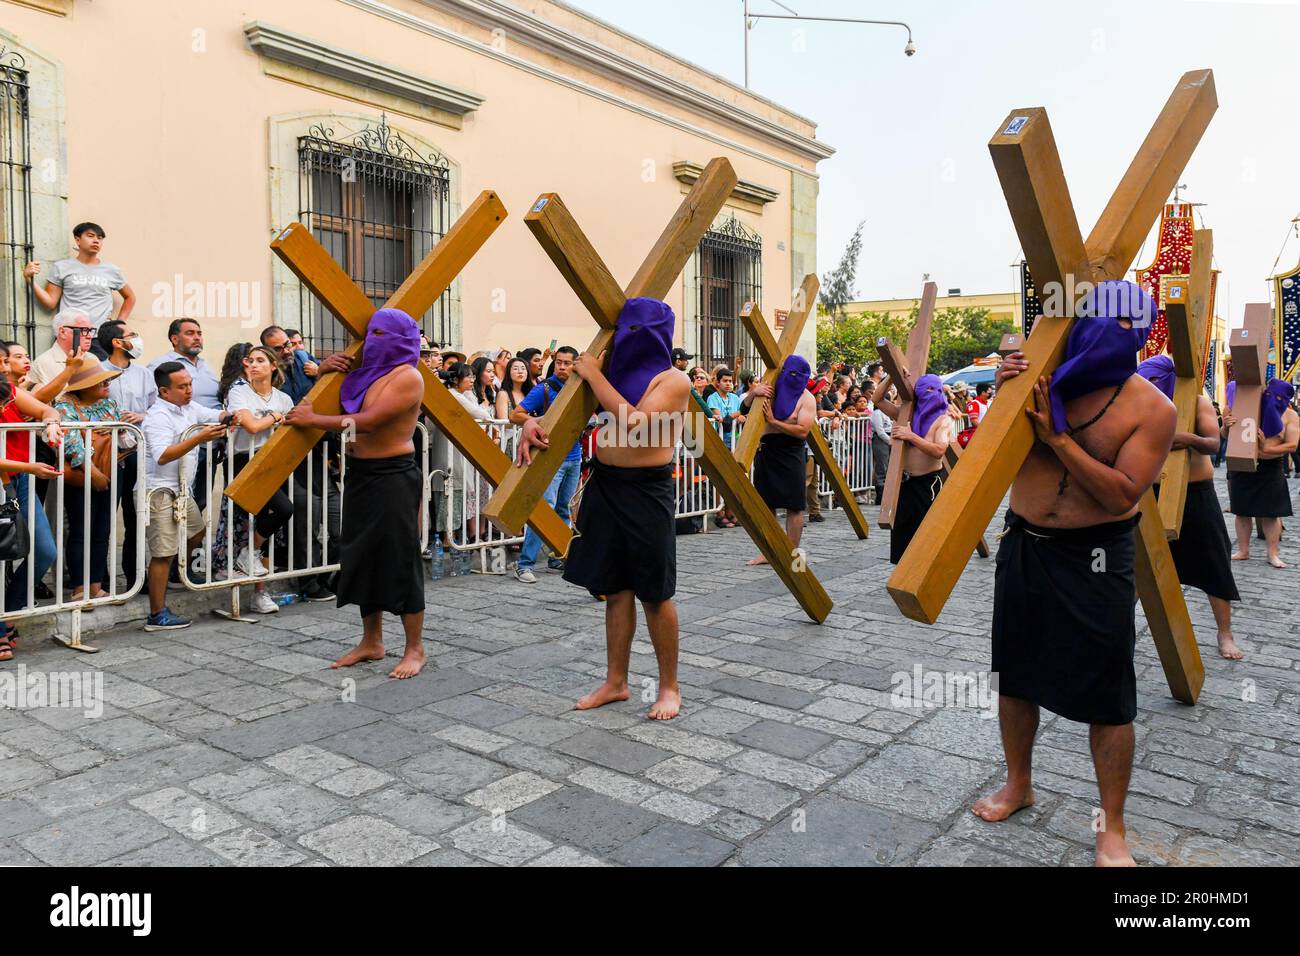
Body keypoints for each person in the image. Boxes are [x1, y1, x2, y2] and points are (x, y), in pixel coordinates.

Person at [975, 281, 1173, 867]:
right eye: (1099, 322)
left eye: (1123, 327)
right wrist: (1004, 392)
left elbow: (1120, 495)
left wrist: (1058, 439)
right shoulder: (1038, 378)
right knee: (1015, 675)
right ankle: (1019, 783)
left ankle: (1112, 825)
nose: (1107, 336)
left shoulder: (1151, 409)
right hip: (1027, 544)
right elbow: (990, 448)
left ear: (1137, 336)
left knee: (1108, 693)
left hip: (1098, 554)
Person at [516, 298, 690, 720]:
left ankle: (669, 687)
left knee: (655, 593)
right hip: (607, 486)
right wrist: (528, 423)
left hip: (647, 492)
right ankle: (617, 681)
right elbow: (546, 411)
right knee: (615, 589)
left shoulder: (674, 380)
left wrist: (594, 373)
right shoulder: (611, 376)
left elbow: (634, 421)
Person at [284, 308, 427, 679]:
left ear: (399, 340)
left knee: (400, 557)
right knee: (362, 555)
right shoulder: (367, 374)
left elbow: (371, 420)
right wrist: (326, 372)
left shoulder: (407, 376)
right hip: (361, 475)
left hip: (394, 477)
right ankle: (372, 641)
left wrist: (315, 421)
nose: (373, 340)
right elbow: (315, 403)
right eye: (371, 333)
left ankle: (415, 649)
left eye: (381, 334)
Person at [1137, 355, 1242, 659]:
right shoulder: (1140, 403)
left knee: (1214, 564)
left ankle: (1225, 634)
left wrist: (1186, 437)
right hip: (1152, 494)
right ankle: (1120, 635)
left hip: (1196, 494)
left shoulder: (1197, 402)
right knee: (1138, 567)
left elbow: (1212, 443)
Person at [142, 362, 243, 631]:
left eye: (190, 384)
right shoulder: (157, 416)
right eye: (182, 386)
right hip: (159, 490)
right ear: (164, 391)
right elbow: (162, 455)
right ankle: (156, 614)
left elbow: (212, 414)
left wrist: (231, 414)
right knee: (162, 553)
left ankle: (176, 571)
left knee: (196, 532)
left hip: (182, 489)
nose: (189, 390)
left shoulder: (189, 408)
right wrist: (198, 438)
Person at [222, 344, 297, 614]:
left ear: (273, 366)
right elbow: (251, 426)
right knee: (267, 515)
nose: (253, 365)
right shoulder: (239, 392)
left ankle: (259, 593)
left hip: (272, 461)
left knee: (268, 527)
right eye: (249, 361)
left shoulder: (283, 398)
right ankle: (244, 563)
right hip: (244, 460)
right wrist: (277, 418)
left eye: (260, 360)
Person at [0, 350, 64, 648]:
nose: (4, 367)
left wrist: (50, 423)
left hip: (18, 482)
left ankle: (7, 613)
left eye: (3, 361)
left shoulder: (10, 392)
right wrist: (31, 467)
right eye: (1, 362)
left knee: (45, 550)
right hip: (17, 475)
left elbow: (46, 410)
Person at [54, 356, 125, 602]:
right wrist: (93, 474)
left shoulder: (110, 404)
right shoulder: (64, 406)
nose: (107, 385)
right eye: (100, 382)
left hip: (113, 469)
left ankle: (95, 585)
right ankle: (79, 588)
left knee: (102, 530)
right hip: (81, 475)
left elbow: (123, 434)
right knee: (80, 530)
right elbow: (72, 442)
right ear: (83, 386)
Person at [509, 347, 580, 583]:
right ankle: (525, 563)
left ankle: (557, 556)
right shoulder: (544, 388)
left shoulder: (579, 390)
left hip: (574, 456)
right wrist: (540, 420)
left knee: (562, 509)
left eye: (567, 363)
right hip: (549, 457)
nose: (561, 366)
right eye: (559, 362)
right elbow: (515, 414)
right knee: (544, 509)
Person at [871, 371, 953, 563]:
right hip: (905, 483)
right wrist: (892, 376)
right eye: (928, 389)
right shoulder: (906, 414)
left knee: (926, 536)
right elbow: (878, 400)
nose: (933, 393)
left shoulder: (943, 420)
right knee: (903, 535)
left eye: (937, 389)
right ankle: (902, 578)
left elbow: (939, 450)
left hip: (927, 484)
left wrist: (911, 436)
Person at [746, 355, 815, 567]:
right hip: (767, 451)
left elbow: (802, 431)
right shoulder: (770, 388)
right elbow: (743, 408)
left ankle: (791, 553)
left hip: (791, 453)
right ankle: (768, 551)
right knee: (766, 505)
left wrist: (774, 421)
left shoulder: (806, 399)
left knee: (794, 506)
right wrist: (753, 393)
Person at [23, 222, 135, 354]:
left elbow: (130, 297)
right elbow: (50, 303)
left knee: (101, 374)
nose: (96, 241)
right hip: (71, 335)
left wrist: (118, 323)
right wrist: (29, 279)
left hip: (99, 337)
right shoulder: (62, 267)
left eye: (99, 238)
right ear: (77, 239)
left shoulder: (111, 270)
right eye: (90, 236)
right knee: (70, 373)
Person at [98, 320, 151, 588]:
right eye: (132, 334)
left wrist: (141, 415)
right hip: (108, 454)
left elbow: (157, 408)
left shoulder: (144, 374)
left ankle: (135, 578)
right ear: (118, 342)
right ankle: (101, 580)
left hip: (137, 453)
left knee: (136, 517)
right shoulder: (97, 371)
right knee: (104, 518)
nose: (137, 339)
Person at [149, 318, 221, 514]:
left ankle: (189, 543)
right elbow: (150, 402)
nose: (197, 337)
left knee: (201, 501)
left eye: (199, 333)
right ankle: (176, 544)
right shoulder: (161, 365)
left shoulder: (207, 367)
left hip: (208, 445)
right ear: (174, 338)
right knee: (177, 505)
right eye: (190, 333)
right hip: (179, 445)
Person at [1226, 378, 1299, 568]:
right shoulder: (1247, 409)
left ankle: (1272, 553)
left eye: (1278, 397)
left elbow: (1291, 445)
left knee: (1271, 513)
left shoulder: (1291, 416)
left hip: (1271, 467)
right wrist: (1226, 426)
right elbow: (1225, 435)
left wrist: (1264, 449)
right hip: (1244, 464)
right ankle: (1243, 550)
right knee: (1241, 511)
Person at [28, 311, 94, 387]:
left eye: (91, 331)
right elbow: (58, 397)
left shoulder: (92, 358)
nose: (90, 336)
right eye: (84, 330)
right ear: (62, 332)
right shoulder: (43, 363)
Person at [261, 325, 316, 404]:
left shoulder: (303, 357)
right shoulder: (264, 374)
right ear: (268, 351)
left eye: (287, 344)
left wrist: (318, 371)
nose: (286, 351)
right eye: (278, 349)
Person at [495, 357, 531, 421]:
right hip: (511, 430)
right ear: (509, 373)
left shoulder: (530, 393)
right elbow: (503, 423)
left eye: (523, 369)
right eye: (515, 369)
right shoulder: (503, 394)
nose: (520, 371)